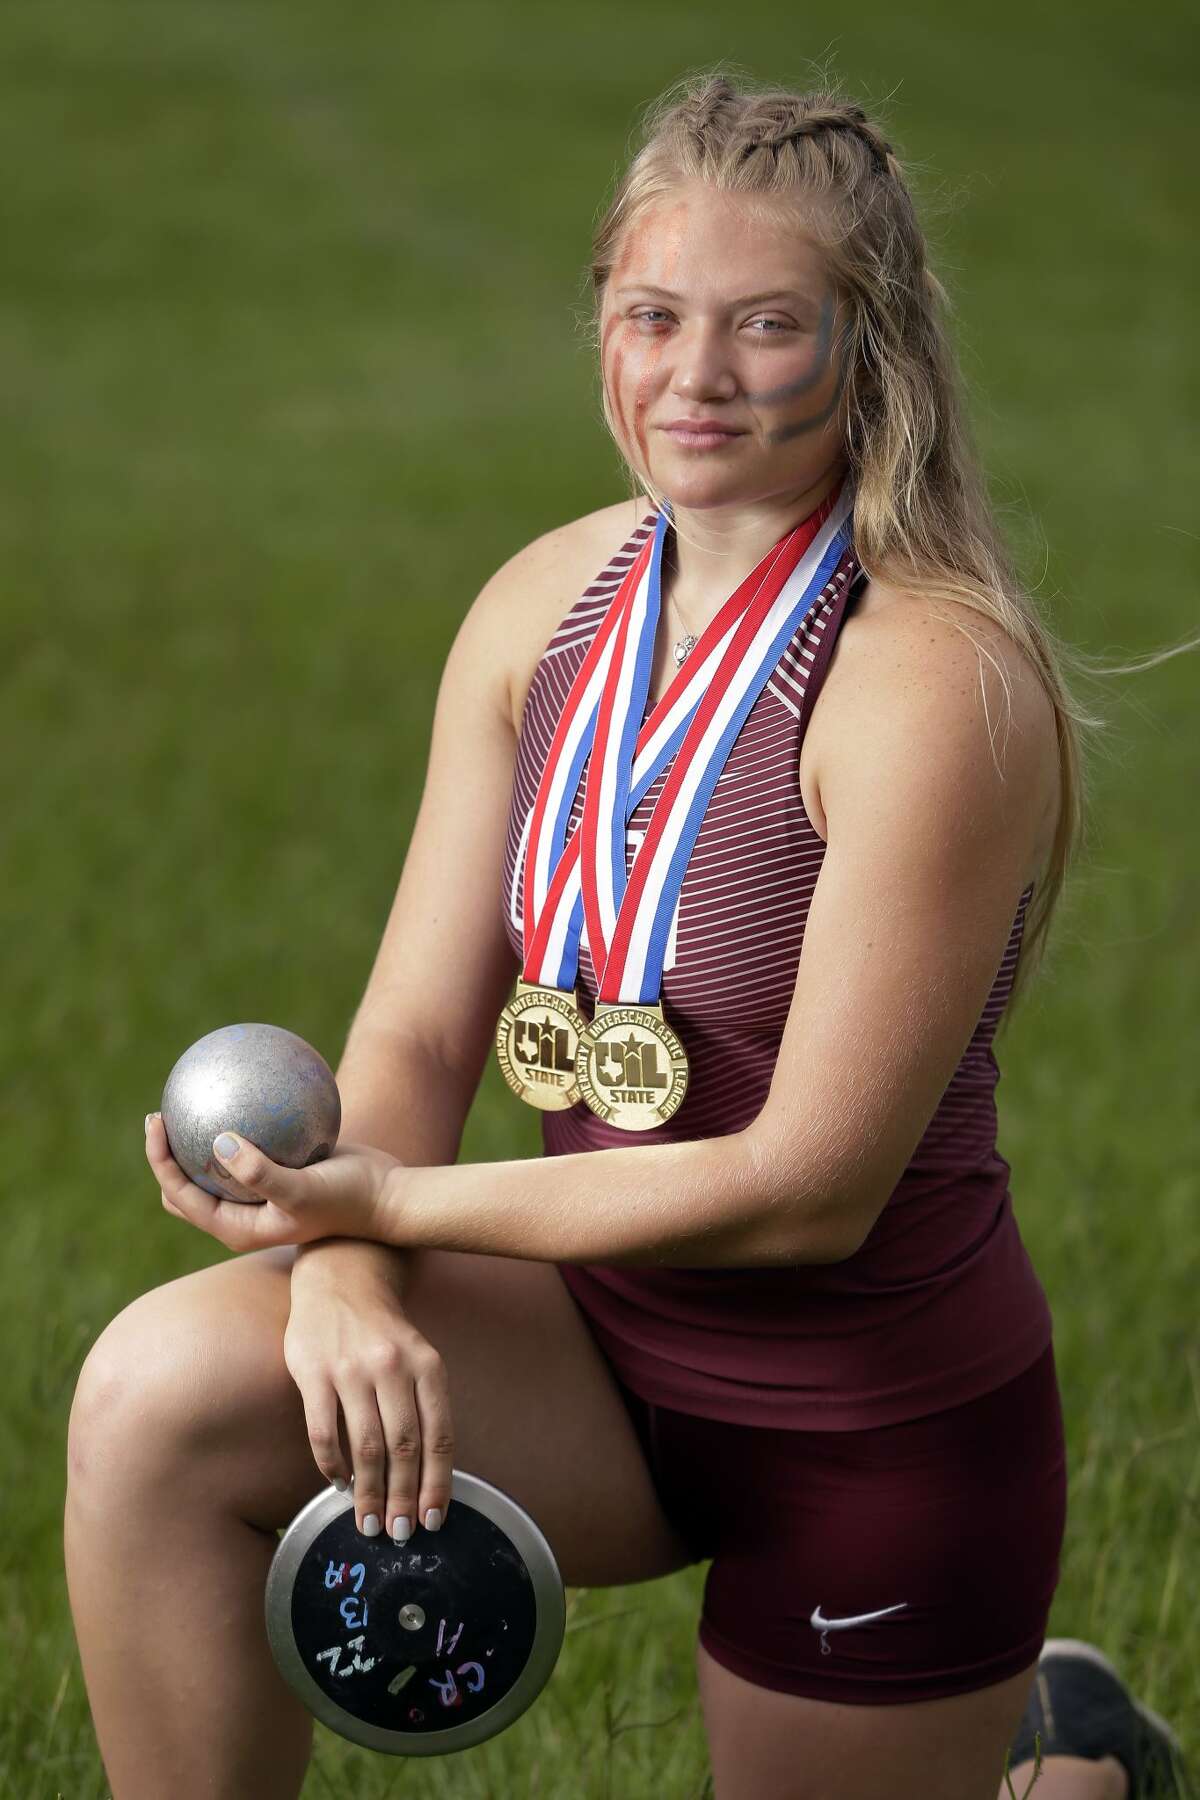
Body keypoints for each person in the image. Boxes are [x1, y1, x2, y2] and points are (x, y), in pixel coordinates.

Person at [63, 67, 1192, 1800]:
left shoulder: (932, 682)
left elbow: (811, 1186)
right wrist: (347, 1282)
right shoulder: (542, 604)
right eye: (654, 313)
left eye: (765, 325)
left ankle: (1071, 1769)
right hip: (592, 1357)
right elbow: (427, 1031)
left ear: (869, 348)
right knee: (158, 1398)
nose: (696, 373)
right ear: (602, 316)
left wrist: (380, 1206)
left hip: (869, 1429)